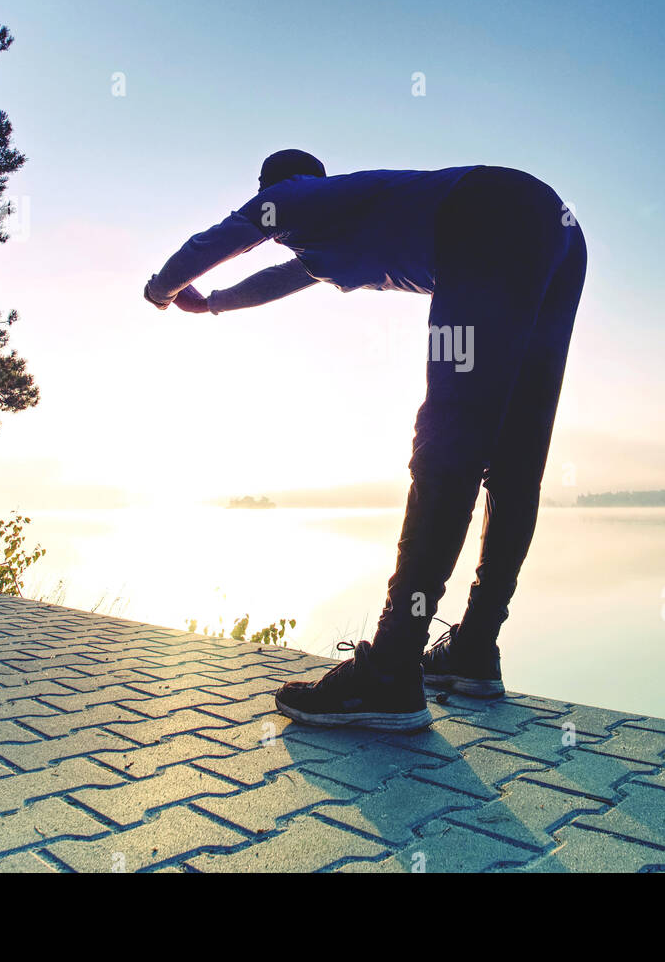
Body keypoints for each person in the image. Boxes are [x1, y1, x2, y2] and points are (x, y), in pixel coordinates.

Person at [144, 149, 587, 731]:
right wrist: (217, 303)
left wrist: (162, 287)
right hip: (558, 234)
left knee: (447, 441)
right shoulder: (324, 241)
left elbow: (217, 241)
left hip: (491, 215)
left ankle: (390, 672)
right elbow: (278, 278)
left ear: (273, 186)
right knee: (515, 452)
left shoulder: (298, 195)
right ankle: (475, 650)